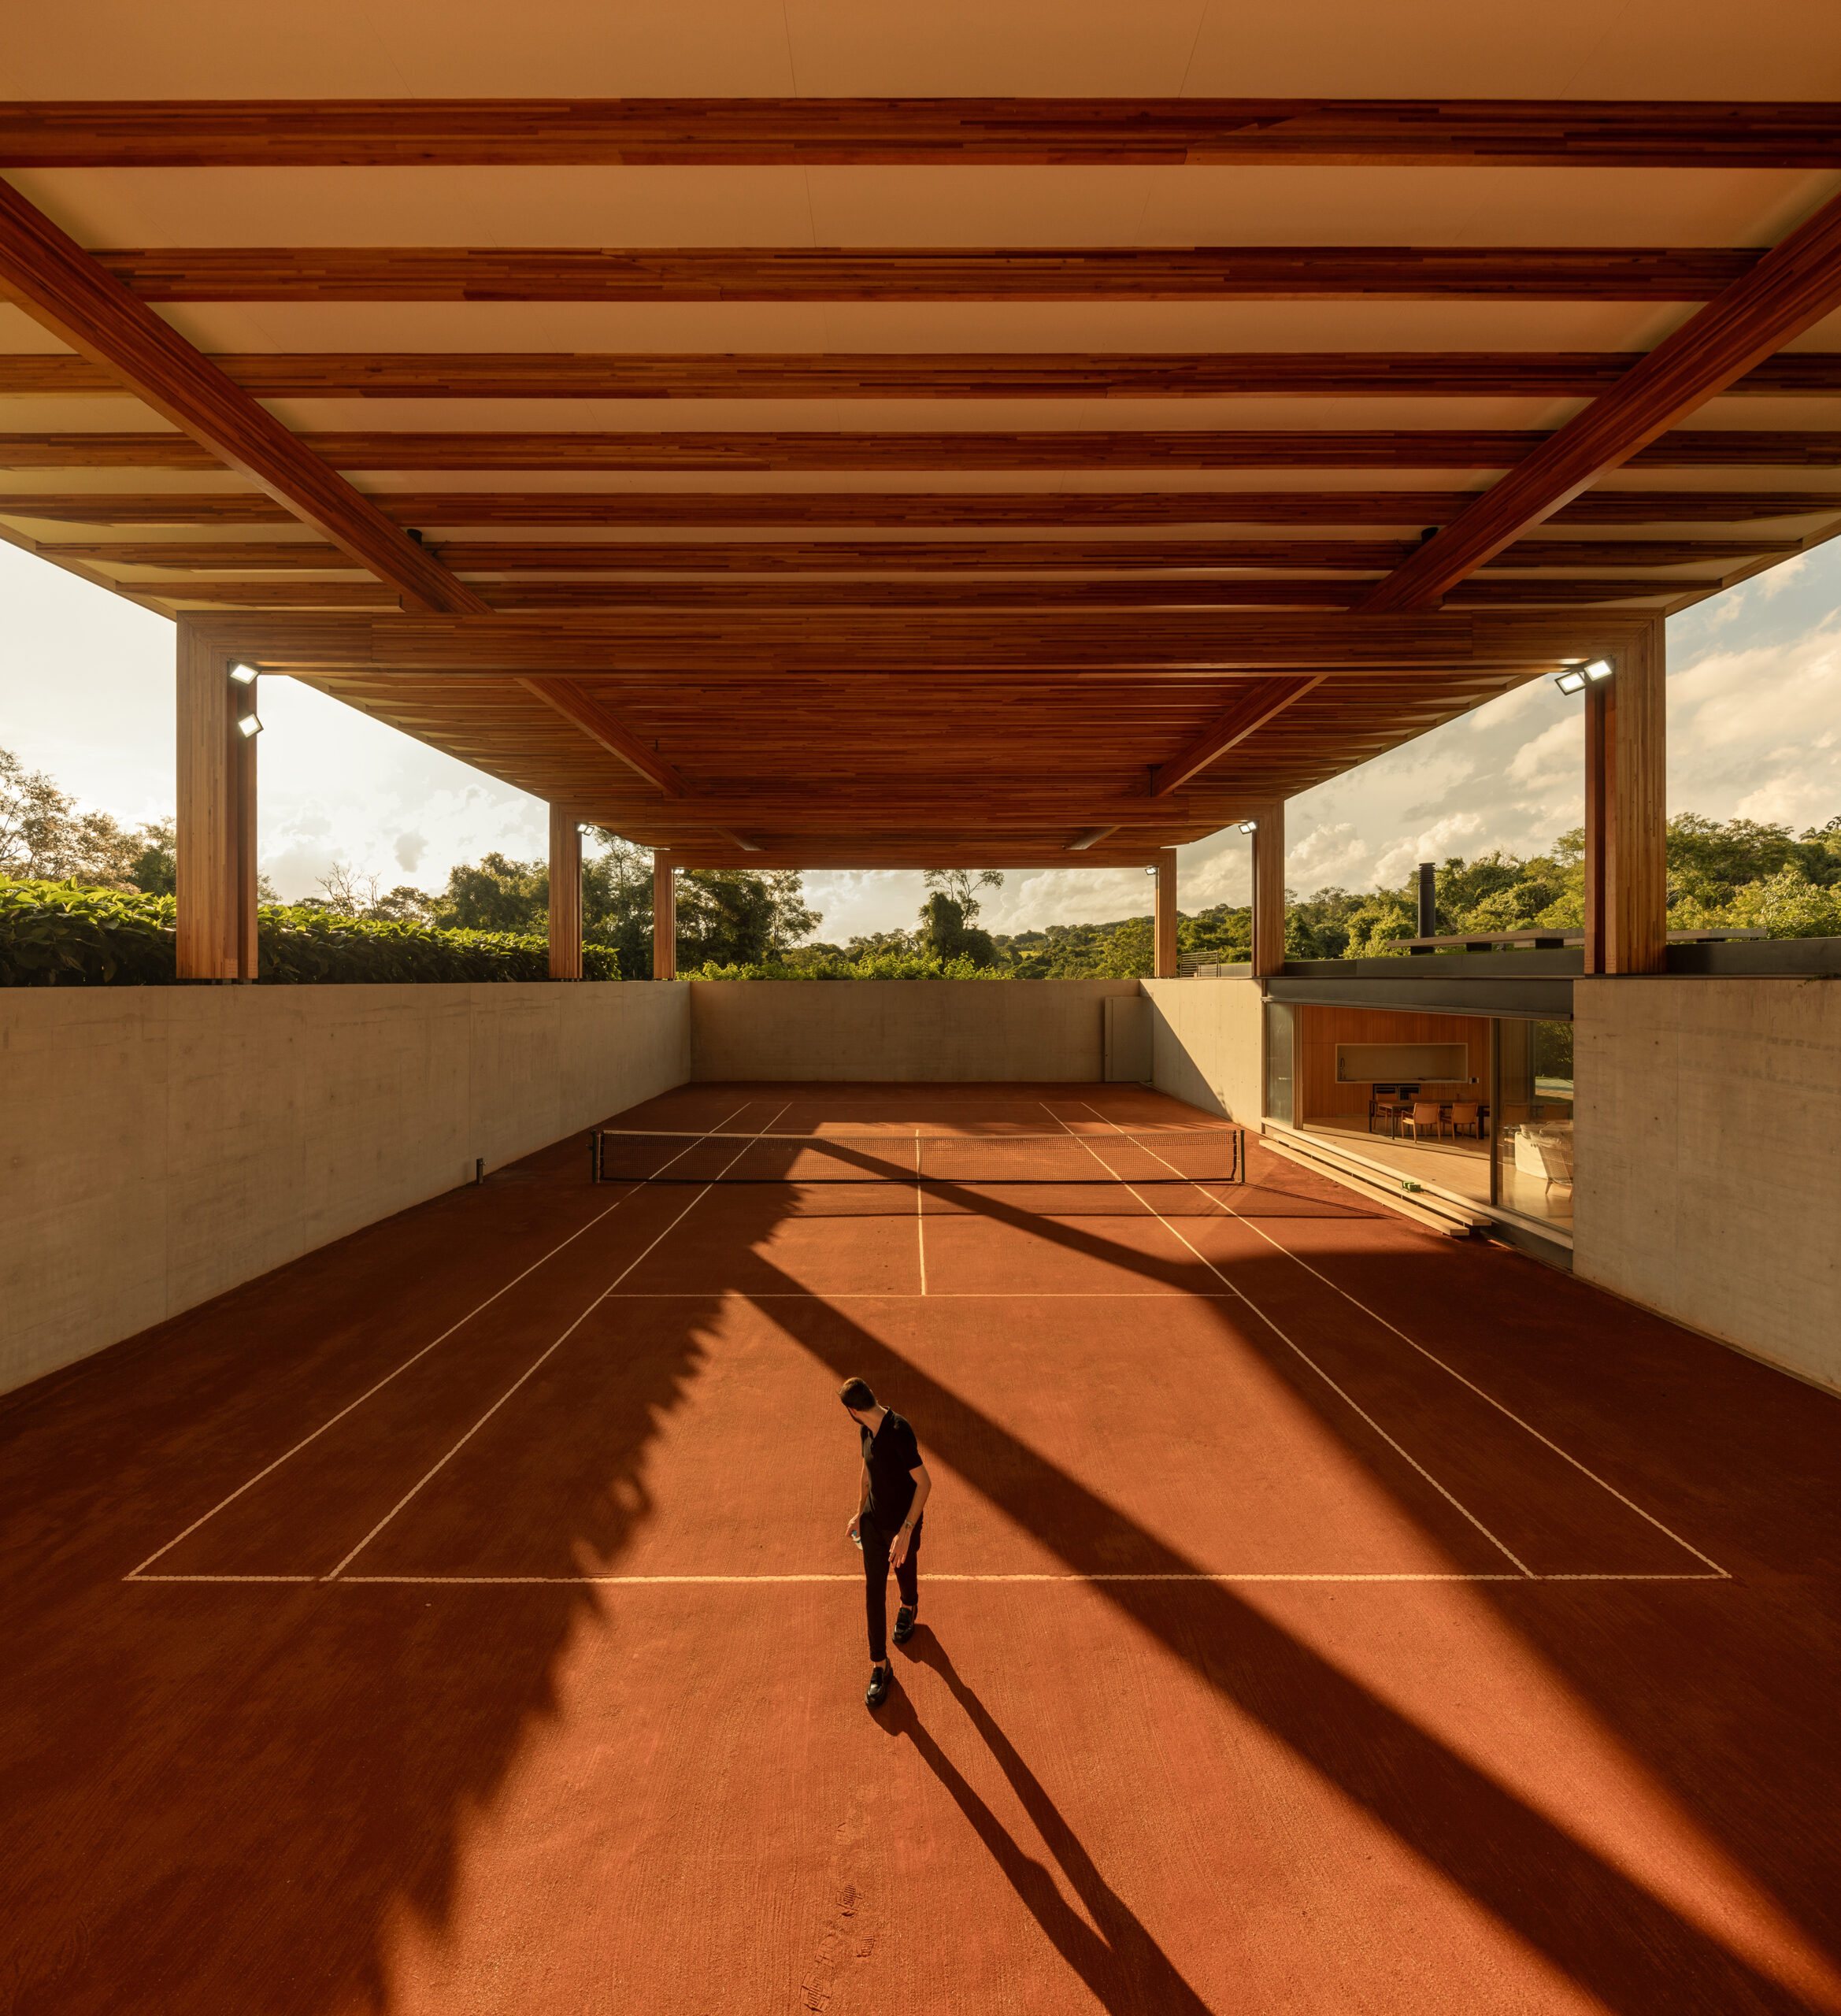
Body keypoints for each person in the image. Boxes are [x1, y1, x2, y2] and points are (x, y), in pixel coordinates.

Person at [839, 1377, 931, 1709]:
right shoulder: (865, 1431)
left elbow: (924, 1483)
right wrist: (858, 1512)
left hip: (903, 1522)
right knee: (873, 1591)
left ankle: (909, 1606)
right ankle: (880, 1665)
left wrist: (906, 1530)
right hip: (874, 1524)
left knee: (904, 1566)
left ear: (853, 1410)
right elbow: (867, 1473)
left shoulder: (899, 1430)